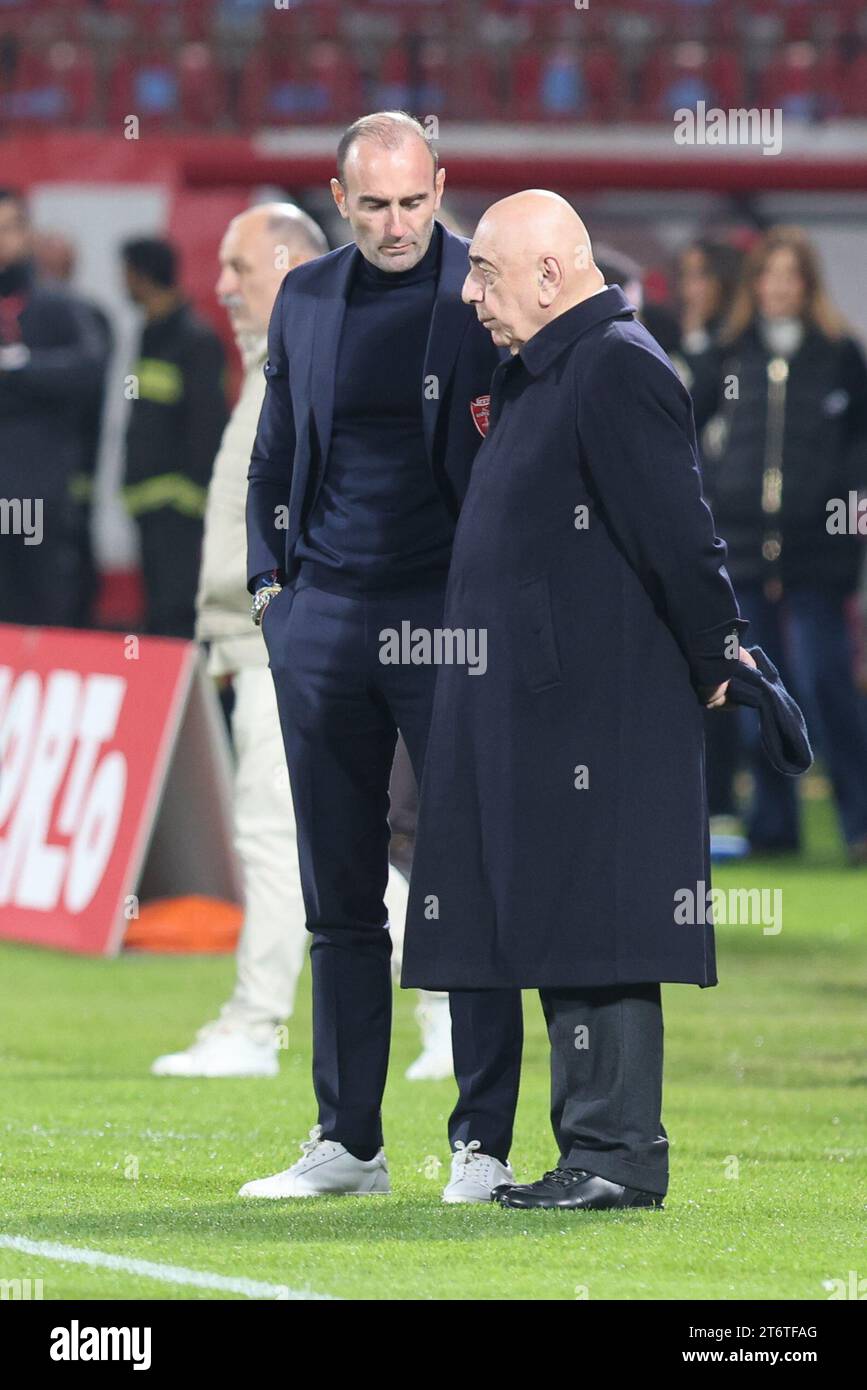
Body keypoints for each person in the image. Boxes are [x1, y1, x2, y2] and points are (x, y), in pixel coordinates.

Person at [401, 190, 756, 1212]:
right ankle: (589, 1149)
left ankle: (615, 1155)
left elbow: (680, 536)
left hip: (598, 705)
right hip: (538, 701)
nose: (470, 294)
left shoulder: (616, 366)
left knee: (601, 922)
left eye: (486, 274)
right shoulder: (551, 369)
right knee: (562, 918)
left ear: (551, 274)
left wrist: (719, 650)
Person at [241, 111, 512, 1202]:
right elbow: (273, 456)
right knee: (338, 894)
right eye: (376, 204)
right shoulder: (305, 298)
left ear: (442, 185)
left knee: (470, 885)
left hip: (450, 619)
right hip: (325, 623)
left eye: (416, 200)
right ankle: (349, 1141)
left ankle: (481, 1145)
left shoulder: (486, 291)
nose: (398, 224)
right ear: (339, 198)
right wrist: (274, 596)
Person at [152, 203, 328, 1078]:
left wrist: (267, 621)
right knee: (343, 845)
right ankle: (452, 1017)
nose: (219, 286)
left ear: (292, 268)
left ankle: (259, 1026)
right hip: (261, 639)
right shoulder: (274, 367)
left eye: (238, 267)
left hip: (279, 642)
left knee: (273, 835)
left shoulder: (303, 369)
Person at [700, 226, 867, 864]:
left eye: (790, 275)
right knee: (757, 692)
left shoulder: (839, 355)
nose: (778, 287)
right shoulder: (730, 353)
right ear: (755, 284)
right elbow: (685, 425)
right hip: (741, 548)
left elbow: (857, 453)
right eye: (768, 274)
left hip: (818, 555)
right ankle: (773, 826)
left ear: (807, 284)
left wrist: (844, 523)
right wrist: (713, 498)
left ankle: (858, 823)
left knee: (828, 684)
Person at [0, 188, 107, 627]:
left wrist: (19, 368)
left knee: (41, 618)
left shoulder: (59, 307)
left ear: (27, 235)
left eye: (7, 229)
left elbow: (88, 370)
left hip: (36, 497)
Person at [120, 236, 228, 638]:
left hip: (177, 507)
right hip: (149, 504)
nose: (123, 284)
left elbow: (208, 423)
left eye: (126, 274)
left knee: (176, 615)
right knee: (158, 615)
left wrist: (191, 494)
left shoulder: (194, 340)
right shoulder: (150, 334)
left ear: (141, 276)